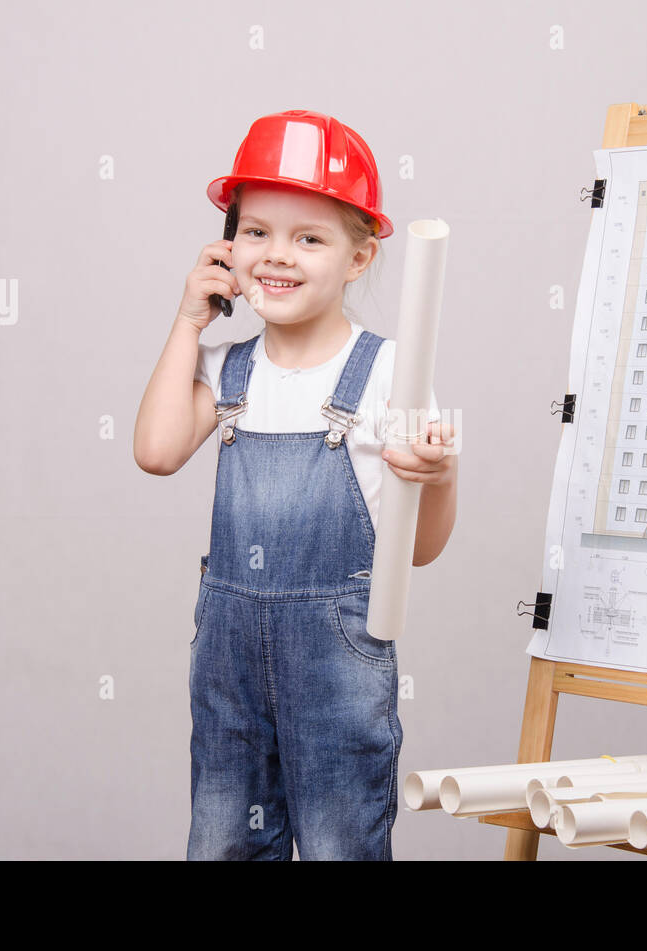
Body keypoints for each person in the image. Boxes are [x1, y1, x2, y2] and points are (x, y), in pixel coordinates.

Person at [133, 110, 459, 860]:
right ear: (228, 243)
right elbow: (154, 451)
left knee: (340, 842)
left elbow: (424, 550)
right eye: (256, 232)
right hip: (230, 672)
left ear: (359, 256)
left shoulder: (389, 374)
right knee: (223, 842)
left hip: (336, 667)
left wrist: (440, 476)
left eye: (308, 237)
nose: (276, 255)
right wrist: (190, 318)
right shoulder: (227, 370)